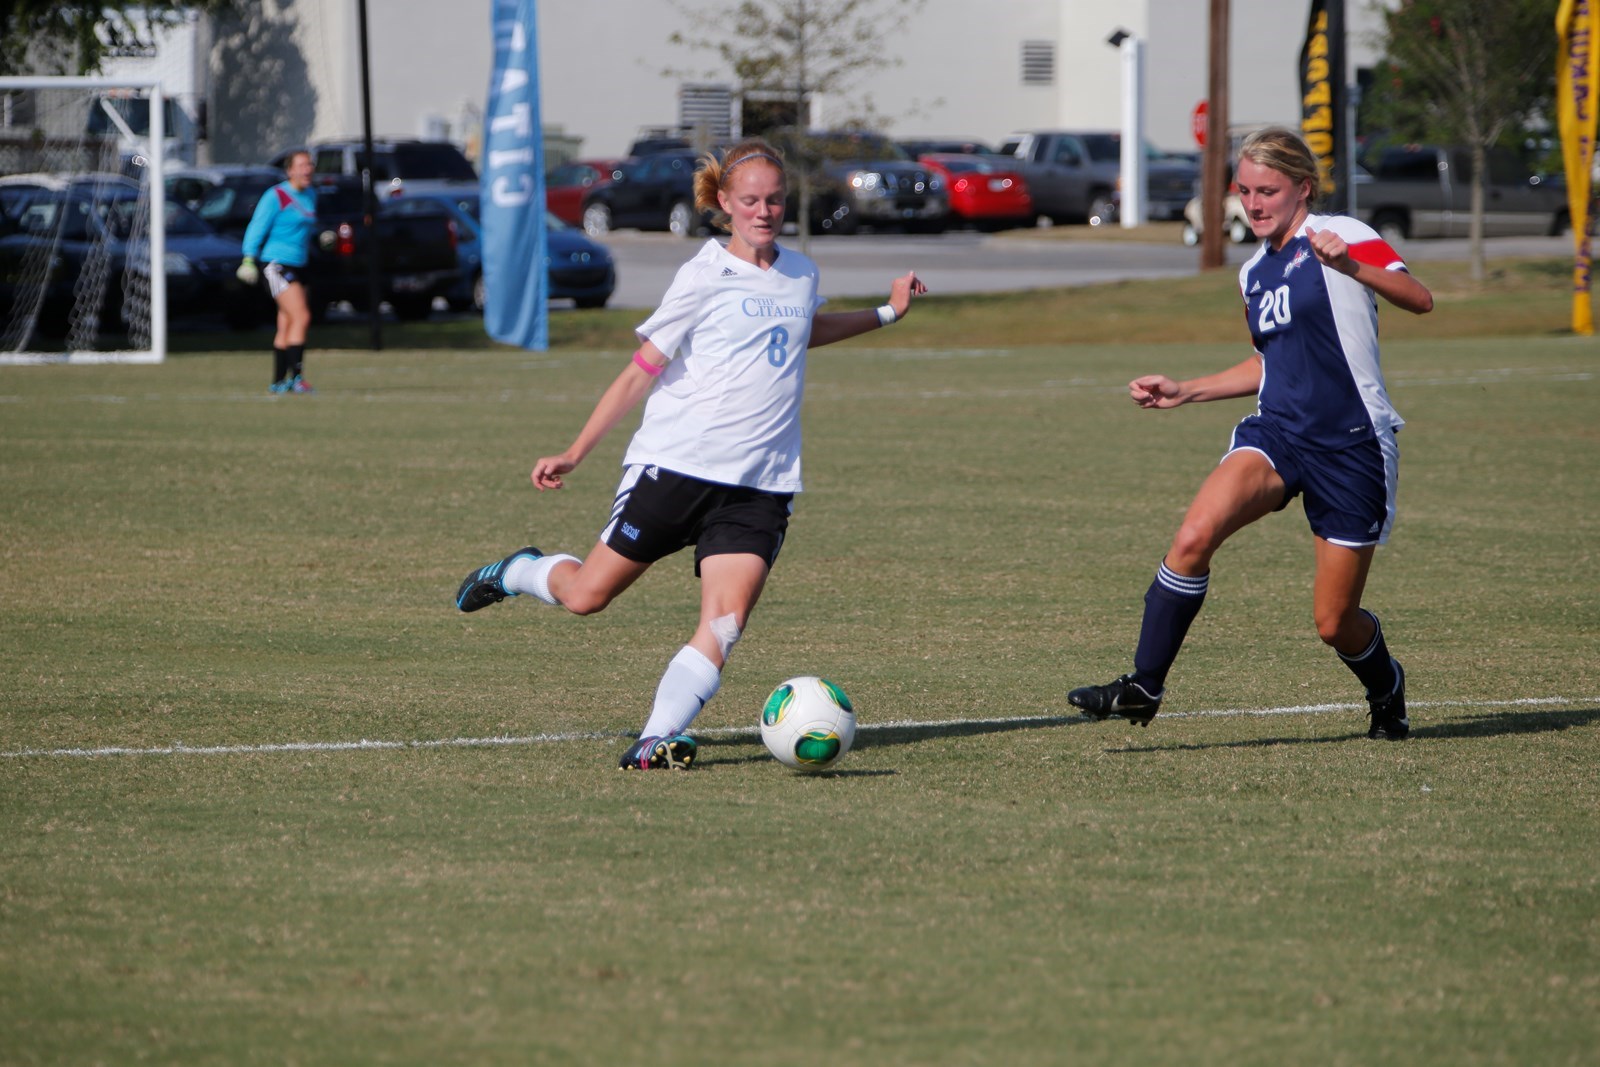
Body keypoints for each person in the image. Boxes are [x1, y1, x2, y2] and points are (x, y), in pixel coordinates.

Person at [454, 139, 927, 769]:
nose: (764, 211)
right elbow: (639, 371)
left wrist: (889, 312)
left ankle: (655, 739)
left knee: (724, 624)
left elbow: (800, 329)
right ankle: (519, 571)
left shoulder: (801, 273)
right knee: (587, 596)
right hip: (676, 468)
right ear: (724, 202)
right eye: (750, 200)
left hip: (760, 484)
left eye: (775, 200)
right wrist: (575, 451)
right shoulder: (702, 275)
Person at [1067, 126, 1433, 740]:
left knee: (1333, 622)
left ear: (1303, 188)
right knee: (1193, 535)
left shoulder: (1343, 234)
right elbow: (1272, 362)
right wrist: (1187, 390)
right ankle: (1144, 686)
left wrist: (1351, 265)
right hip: (1278, 433)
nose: (1255, 204)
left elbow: (1420, 299)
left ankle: (1385, 684)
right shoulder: (1254, 272)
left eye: (1268, 190)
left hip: (1351, 443)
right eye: (1245, 191)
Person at [239, 150, 318, 394]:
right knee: (301, 317)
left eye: (309, 165)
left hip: (300, 265)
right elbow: (257, 227)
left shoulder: (311, 194)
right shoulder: (276, 195)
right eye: (301, 165)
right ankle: (296, 378)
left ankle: (278, 381)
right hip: (276, 265)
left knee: (287, 322)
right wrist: (248, 258)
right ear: (290, 171)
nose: (307, 169)